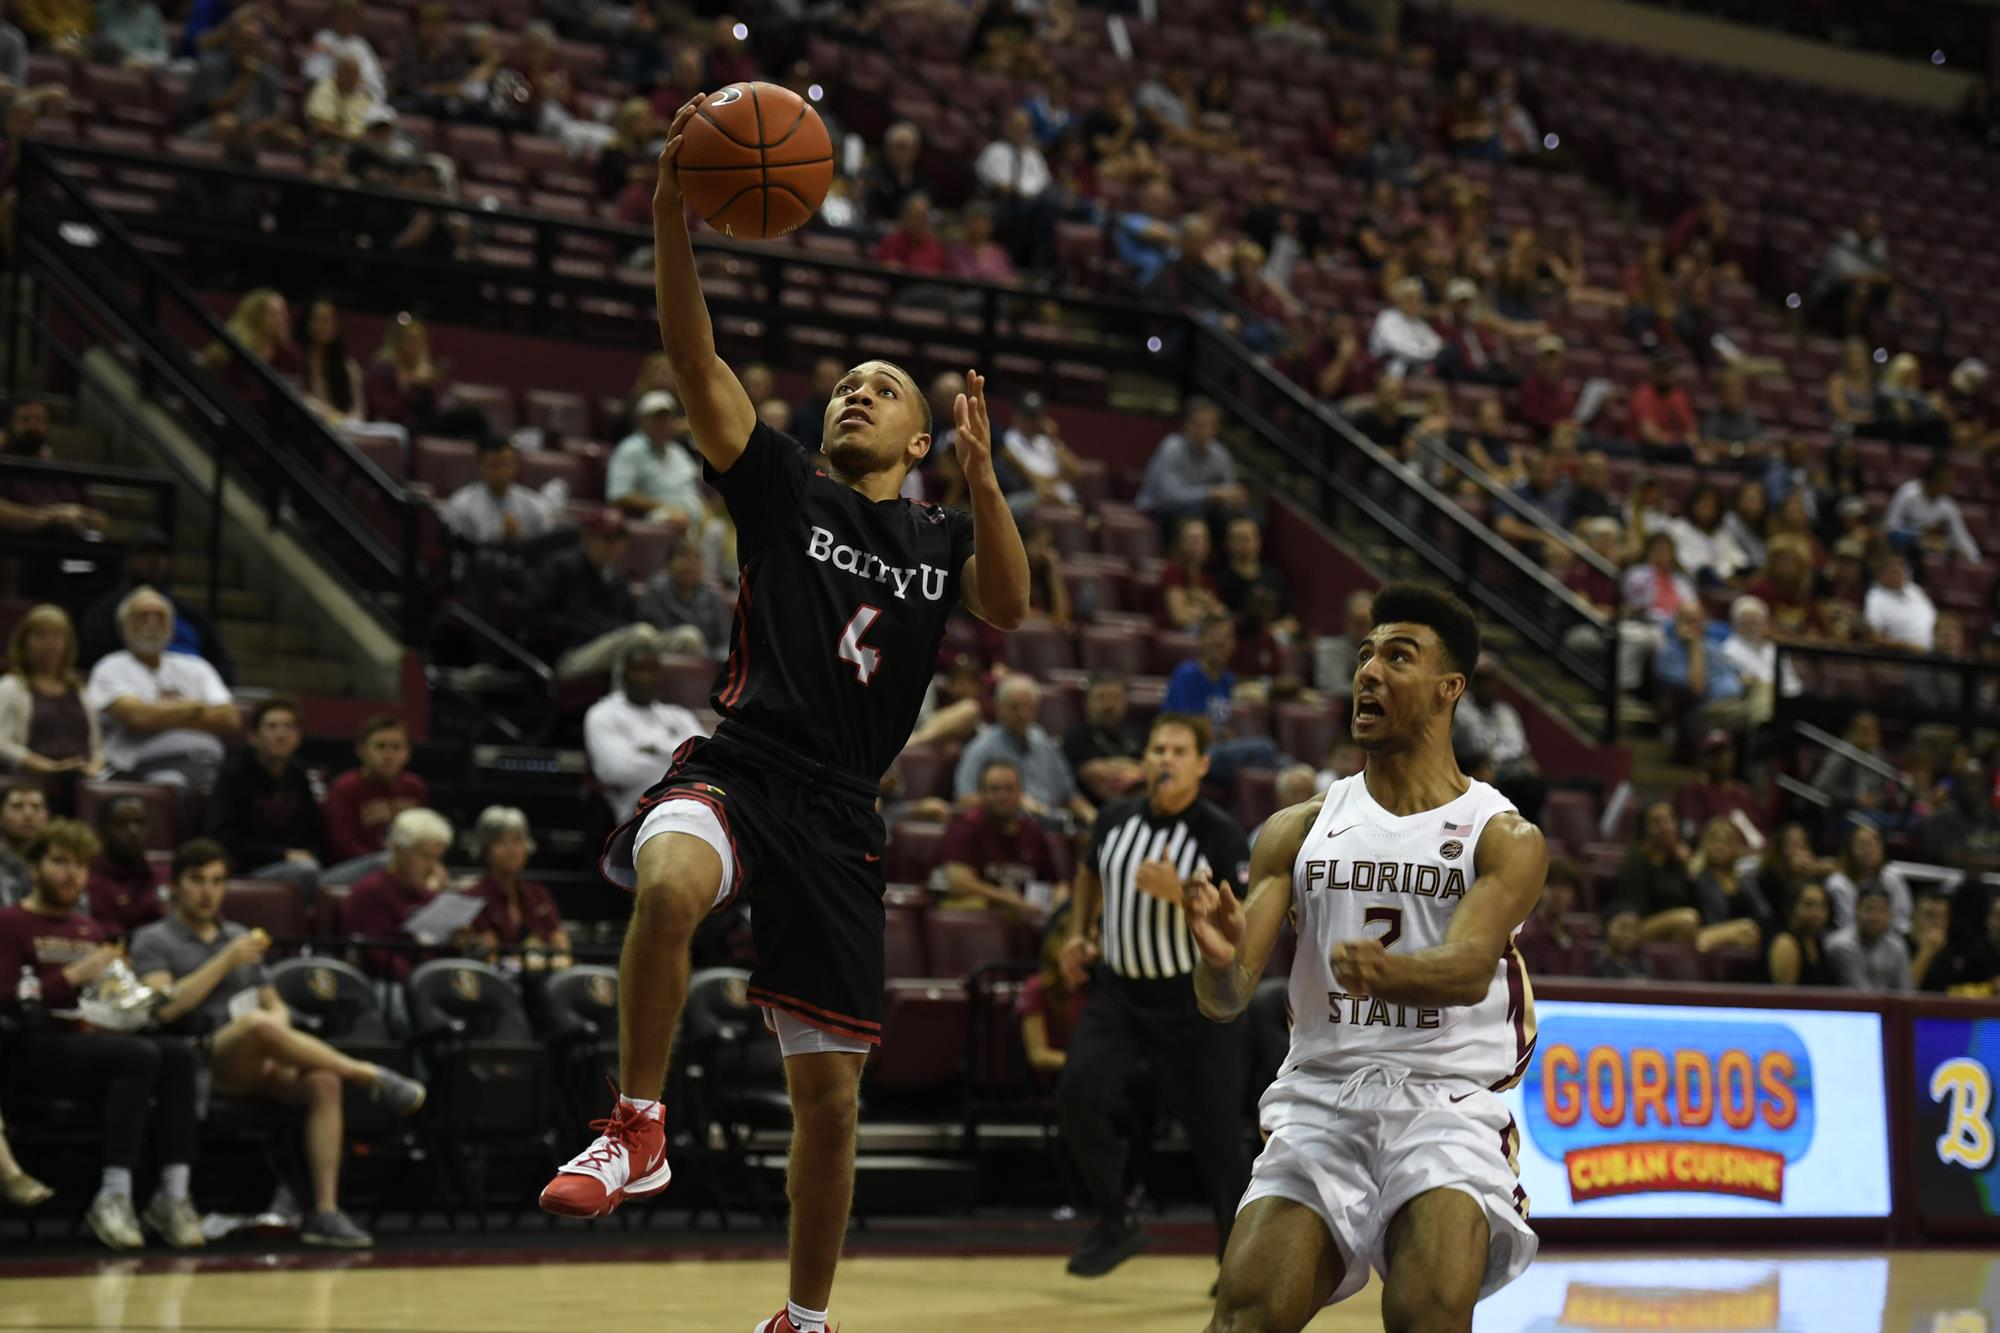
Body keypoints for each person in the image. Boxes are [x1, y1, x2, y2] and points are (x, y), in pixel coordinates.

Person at [539, 89, 1030, 1333]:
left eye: (882, 388)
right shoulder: (779, 488)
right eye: (846, 384)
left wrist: (984, 484)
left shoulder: (935, 526)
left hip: (839, 813)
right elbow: (697, 359)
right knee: (663, 883)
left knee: (831, 1100)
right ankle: (634, 1124)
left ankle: (805, 1320)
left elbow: (1013, 608)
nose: (855, 394)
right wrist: (669, 216)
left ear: (921, 438)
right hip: (742, 762)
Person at [1182, 582, 1543, 1330]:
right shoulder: (1298, 828)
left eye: (1397, 656)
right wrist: (1218, 961)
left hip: (1446, 1105)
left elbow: (1470, 966)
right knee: (1244, 1315)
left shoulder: (1500, 834)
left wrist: (1395, 971)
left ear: (1450, 689)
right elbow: (1222, 998)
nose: (1368, 671)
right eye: (1366, 655)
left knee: (1427, 1312)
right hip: (1322, 1101)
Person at [131, 839, 425, 1248]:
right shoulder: (154, 939)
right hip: (196, 1057)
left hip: (259, 1055)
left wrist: (276, 1027)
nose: (207, 891)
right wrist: (225, 962)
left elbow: (276, 1008)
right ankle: (369, 1074)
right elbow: (163, 1009)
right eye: (197, 880)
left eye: (217, 881)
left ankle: (325, 1212)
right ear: (176, 886)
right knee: (255, 1025)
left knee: (323, 1080)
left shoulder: (235, 934)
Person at [1054, 712, 1252, 1279]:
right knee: (1076, 1094)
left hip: (1193, 1001)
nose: (1164, 758)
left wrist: (1180, 897)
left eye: (1177, 750)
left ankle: (1236, 1262)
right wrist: (1078, 933)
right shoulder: (1114, 820)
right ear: (1143, 762)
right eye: (1156, 749)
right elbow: (1090, 872)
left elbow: (1242, 924)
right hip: (1118, 993)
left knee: (1216, 1137)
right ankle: (1117, 1220)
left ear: (1201, 764)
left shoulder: (1219, 833)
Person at [0, 819, 205, 1249]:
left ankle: (173, 1193)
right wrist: (74, 974)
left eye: (79, 865)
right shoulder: (11, 923)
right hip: (30, 1048)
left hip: (91, 1043)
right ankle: (113, 1194)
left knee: (178, 1055)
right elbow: (6, 999)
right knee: (138, 1056)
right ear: (33, 870)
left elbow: (107, 1006)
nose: (71, 874)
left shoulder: (87, 929)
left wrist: (128, 994)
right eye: (59, 862)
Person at [83, 587, 239, 793]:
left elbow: (229, 719)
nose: (152, 623)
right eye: (143, 616)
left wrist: (161, 714)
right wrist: (195, 707)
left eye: (160, 616)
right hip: (139, 770)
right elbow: (139, 718)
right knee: (172, 785)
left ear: (172, 627)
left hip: (211, 766)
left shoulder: (196, 666)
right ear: (123, 627)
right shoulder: (110, 667)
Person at [77, 530, 234, 681]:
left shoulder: (191, 614)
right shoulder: (105, 613)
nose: (154, 560)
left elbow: (221, 661)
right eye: (146, 553)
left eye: (162, 554)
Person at [203, 697, 323, 891]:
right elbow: (222, 840)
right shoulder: (234, 774)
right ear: (253, 736)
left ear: (299, 737)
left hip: (301, 865)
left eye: (289, 727)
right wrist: (283, 855)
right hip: (248, 872)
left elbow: (315, 833)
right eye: (272, 727)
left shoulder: (299, 774)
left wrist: (305, 853)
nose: (281, 734)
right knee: (306, 870)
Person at [524, 509, 660, 680]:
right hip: (572, 654)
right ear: (588, 537)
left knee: (686, 638)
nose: (615, 546)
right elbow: (534, 616)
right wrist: (592, 629)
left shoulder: (617, 576)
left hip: (612, 643)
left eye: (620, 539)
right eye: (608, 539)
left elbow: (630, 617)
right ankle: (622, 706)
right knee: (640, 636)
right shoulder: (561, 566)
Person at [583, 644, 706, 824]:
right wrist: (679, 757)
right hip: (639, 810)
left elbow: (705, 757)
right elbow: (616, 771)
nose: (645, 678)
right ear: (624, 675)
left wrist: (654, 749)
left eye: (651, 670)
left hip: (690, 801)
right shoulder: (602, 714)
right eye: (638, 670)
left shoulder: (678, 716)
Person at [953, 675, 1091, 825]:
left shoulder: (1043, 742)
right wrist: (1014, 801)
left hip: (1052, 825)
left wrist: (1093, 818)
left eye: (1029, 708)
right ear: (998, 708)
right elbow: (965, 799)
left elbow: (1071, 795)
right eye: (1015, 708)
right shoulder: (980, 748)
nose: (1023, 715)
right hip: (1007, 827)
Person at [938, 759, 1068, 917]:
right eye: (994, 789)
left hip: (1030, 921)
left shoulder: (1033, 833)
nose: (1002, 796)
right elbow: (957, 881)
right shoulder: (965, 828)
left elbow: (1057, 884)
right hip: (984, 922)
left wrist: (1059, 905)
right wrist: (1007, 900)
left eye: (1009, 789)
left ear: (1021, 793)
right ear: (981, 794)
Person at [343, 807, 455, 982]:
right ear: (399, 852)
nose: (432, 867)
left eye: (437, 858)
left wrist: (457, 942)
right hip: (382, 983)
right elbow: (378, 955)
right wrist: (421, 983)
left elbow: (437, 950)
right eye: (425, 857)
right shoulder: (370, 891)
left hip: (426, 982)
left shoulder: (430, 895)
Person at [0, 603, 104, 777]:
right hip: (29, 783)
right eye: (41, 636)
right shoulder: (11, 686)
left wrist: (93, 768)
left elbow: (97, 747)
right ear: (24, 643)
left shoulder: (78, 689)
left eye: (57, 636)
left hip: (82, 782)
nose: (50, 644)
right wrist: (50, 768)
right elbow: (2, 743)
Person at [322, 713, 426, 884]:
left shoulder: (414, 788)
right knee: (386, 862)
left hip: (399, 869)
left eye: (396, 747)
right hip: (347, 871)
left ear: (407, 753)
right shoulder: (345, 787)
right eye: (380, 746)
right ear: (362, 750)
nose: (388, 754)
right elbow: (342, 846)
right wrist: (395, 864)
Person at [461, 807, 571, 965]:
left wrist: (560, 960)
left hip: (545, 974)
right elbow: (491, 956)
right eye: (501, 842)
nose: (511, 850)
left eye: (517, 841)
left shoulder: (538, 893)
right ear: (485, 850)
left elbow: (560, 942)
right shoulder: (472, 896)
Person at [1451, 656, 1543, 824]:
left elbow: (1517, 746)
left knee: (1534, 786)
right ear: (1471, 682)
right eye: (1480, 680)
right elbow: (1474, 745)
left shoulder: (1506, 711)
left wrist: (1494, 754)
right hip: (1478, 771)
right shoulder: (1462, 710)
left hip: (1514, 773)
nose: (1487, 686)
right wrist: (1493, 754)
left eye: (1490, 680)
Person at [1133, 398, 1247, 533]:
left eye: (1209, 425)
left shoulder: (1220, 453)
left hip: (1202, 510)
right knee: (1195, 512)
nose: (1204, 431)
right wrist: (1210, 494)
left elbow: (1229, 489)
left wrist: (1236, 499)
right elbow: (1169, 497)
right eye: (1199, 425)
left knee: (1245, 518)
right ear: (1187, 426)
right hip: (1158, 509)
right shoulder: (1171, 448)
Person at [440, 438, 560, 547]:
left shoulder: (531, 502)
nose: (500, 473)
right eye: (493, 466)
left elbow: (547, 542)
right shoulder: (462, 504)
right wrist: (500, 537)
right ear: (480, 467)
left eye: (506, 465)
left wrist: (520, 539)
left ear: (516, 466)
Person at [608, 391, 704, 524]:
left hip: (692, 517)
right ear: (642, 420)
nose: (663, 422)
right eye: (657, 417)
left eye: (667, 417)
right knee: (676, 519)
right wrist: (666, 507)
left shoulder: (678, 452)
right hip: (653, 519)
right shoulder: (629, 450)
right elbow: (620, 496)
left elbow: (693, 491)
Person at [85, 794, 163, 936]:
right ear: (103, 830)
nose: (133, 831)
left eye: (140, 822)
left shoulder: (164, 876)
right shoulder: (89, 880)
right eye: (122, 823)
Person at [1062, 674, 1145, 806]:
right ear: (1086, 703)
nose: (1109, 705)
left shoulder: (1138, 734)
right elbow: (1097, 779)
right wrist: (1138, 772)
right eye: (1101, 698)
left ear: (1125, 702)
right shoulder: (1076, 736)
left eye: (1115, 698)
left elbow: (1155, 772)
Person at [637, 541, 729, 659]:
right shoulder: (655, 590)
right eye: (684, 557)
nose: (690, 564)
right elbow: (652, 634)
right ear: (669, 564)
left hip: (706, 657)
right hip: (664, 652)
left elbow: (723, 640)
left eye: (696, 558)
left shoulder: (713, 596)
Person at [1822, 820, 1913, 935]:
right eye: (1862, 845)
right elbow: (1846, 924)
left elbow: (1902, 918)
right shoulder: (1838, 883)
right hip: (1851, 939)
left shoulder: (1893, 876)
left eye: (1874, 844)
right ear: (1850, 850)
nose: (1868, 851)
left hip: (1889, 939)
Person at [1886, 457, 1981, 565]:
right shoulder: (1908, 494)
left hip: (1933, 556)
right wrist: (1920, 536)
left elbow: (1962, 537)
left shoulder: (1948, 506)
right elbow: (1890, 526)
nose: (1950, 486)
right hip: (1903, 551)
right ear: (1932, 481)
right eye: (1946, 481)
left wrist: (1974, 558)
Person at [1673, 730, 1764, 841]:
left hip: (1758, 851)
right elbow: (1691, 831)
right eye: (1714, 753)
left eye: (1725, 752)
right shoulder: (1694, 790)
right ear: (1703, 758)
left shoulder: (1744, 791)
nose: (1721, 758)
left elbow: (1762, 827)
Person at [1823, 885, 1910, 991]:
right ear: (1856, 910)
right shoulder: (1841, 945)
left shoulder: (1897, 945)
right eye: (1869, 909)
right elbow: (1862, 997)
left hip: (1885, 1006)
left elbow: (1906, 992)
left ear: (1890, 914)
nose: (1874, 917)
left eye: (1881, 910)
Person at [1766, 882, 1838, 986]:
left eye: (1823, 906)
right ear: (1792, 908)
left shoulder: (1819, 944)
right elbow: (1783, 998)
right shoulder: (1786, 943)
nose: (1816, 913)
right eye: (1808, 905)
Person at [1864, 555, 1937, 651]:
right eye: (1893, 572)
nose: (1898, 575)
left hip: (1931, 654)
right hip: (1898, 658)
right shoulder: (1874, 598)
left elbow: (1932, 615)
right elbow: (1873, 637)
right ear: (1880, 575)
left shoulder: (1914, 590)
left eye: (1901, 571)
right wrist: (1909, 648)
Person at [1312, 589, 1373, 697]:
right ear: (1347, 621)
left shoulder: (1380, 651)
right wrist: (1373, 691)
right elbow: (1331, 687)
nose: (1365, 628)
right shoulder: (1329, 649)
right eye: (1359, 622)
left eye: (1369, 622)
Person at [0, 781, 48, 906]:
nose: (28, 814)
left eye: (36, 807)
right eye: (17, 806)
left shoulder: (57, 864)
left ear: (47, 817)